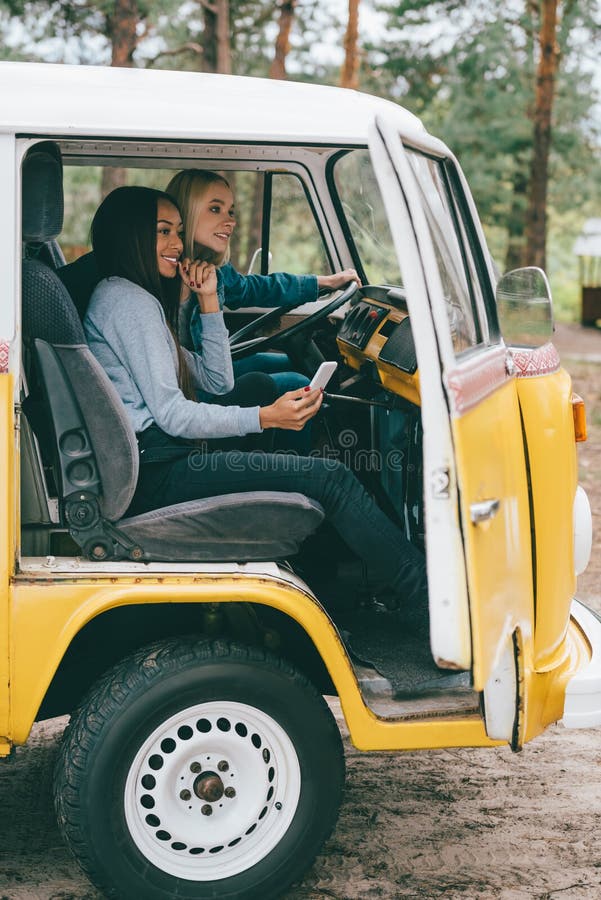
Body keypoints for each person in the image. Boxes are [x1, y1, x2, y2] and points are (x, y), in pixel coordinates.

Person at [84, 185, 428, 616]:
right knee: (331, 478)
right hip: (159, 472)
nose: (177, 244)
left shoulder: (133, 298)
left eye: (177, 231)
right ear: (131, 236)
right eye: (162, 232)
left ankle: (363, 581)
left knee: (276, 407)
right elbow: (173, 415)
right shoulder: (128, 304)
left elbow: (217, 380)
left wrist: (209, 300)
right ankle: (426, 601)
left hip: (160, 460)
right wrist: (266, 418)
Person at [166, 169, 360, 395]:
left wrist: (324, 283)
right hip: (186, 388)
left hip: (207, 369)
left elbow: (254, 289)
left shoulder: (213, 270)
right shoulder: (161, 276)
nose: (230, 221)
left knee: (290, 362)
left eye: (231, 212)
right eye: (215, 209)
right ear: (186, 212)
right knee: (297, 383)